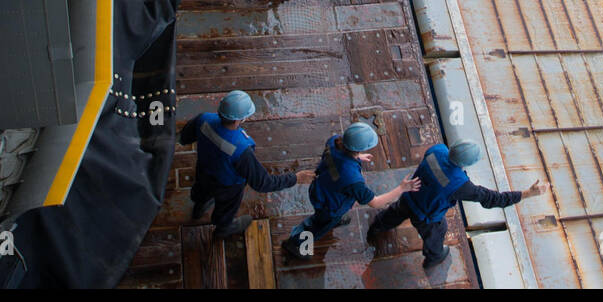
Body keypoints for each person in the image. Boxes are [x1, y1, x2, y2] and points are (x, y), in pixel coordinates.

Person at [366, 141, 547, 270]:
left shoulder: (437, 150)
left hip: (409, 197)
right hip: (425, 217)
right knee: (438, 232)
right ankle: (434, 257)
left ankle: (377, 226)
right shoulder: (460, 185)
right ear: (467, 164)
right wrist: (527, 193)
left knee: (394, 212)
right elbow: (492, 199)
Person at [180, 90, 315, 238]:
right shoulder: (241, 150)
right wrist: (296, 178)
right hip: (228, 187)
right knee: (226, 208)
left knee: (202, 191)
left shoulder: (203, 119)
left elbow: (185, 137)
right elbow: (263, 183)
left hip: (204, 172)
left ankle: (199, 208)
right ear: (239, 120)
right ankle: (223, 228)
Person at [280, 122, 421, 261]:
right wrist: (402, 188)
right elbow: (376, 203)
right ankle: (295, 243)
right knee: (317, 226)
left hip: (320, 190)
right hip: (330, 206)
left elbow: (337, 161)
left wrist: (357, 157)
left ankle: (331, 221)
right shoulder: (354, 181)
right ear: (359, 149)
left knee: (324, 218)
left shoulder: (333, 141)